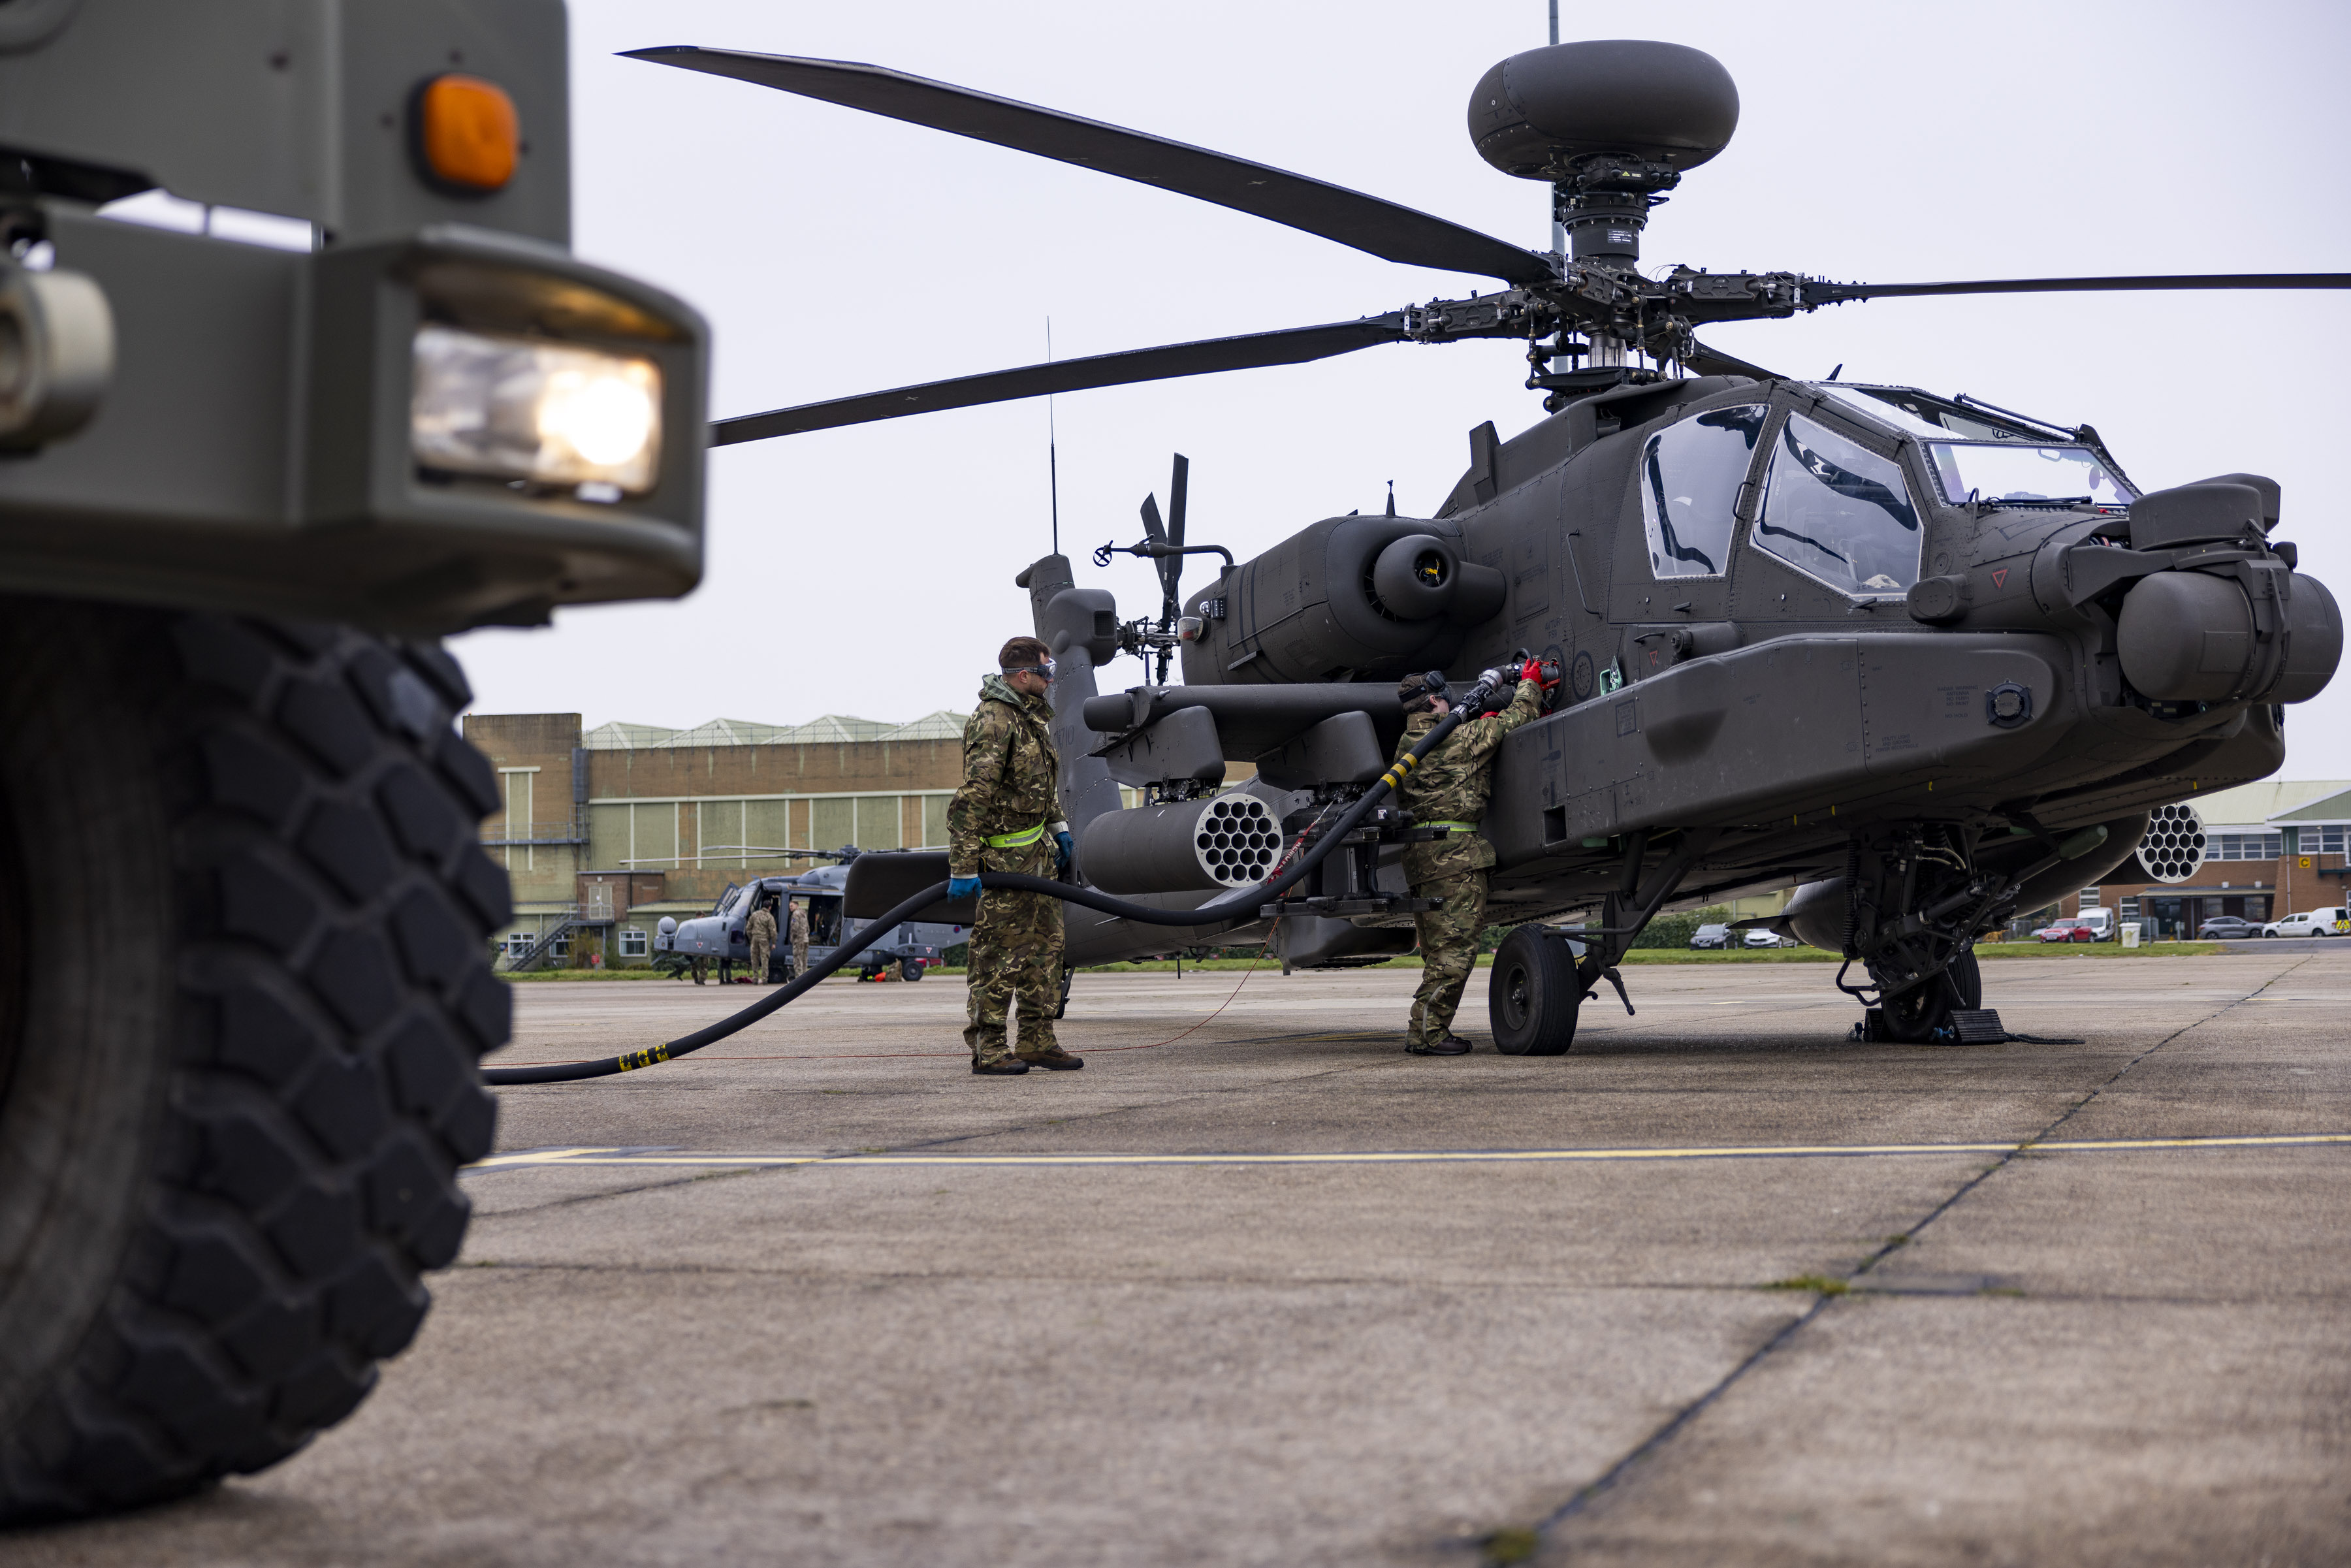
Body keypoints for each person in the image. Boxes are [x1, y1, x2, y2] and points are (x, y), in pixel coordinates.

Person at [1393, 660, 1551, 1055]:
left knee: (1437, 951)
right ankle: (1426, 1034)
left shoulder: (1408, 744)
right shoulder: (1458, 738)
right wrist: (1530, 684)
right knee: (1455, 952)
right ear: (1433, 700)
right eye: (1442, 697)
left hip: (1422, 858)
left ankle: (1427, 1029)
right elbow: (1518, 718)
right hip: (1455, 858)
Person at [946, 635, 1081, 1076]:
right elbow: (974, 797)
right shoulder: (994, 720)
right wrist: (964, 865)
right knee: (999, 956)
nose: (1050, 679)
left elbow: (1039, 787)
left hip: (1038, 857)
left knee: (1045, 951)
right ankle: (988, 1047)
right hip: (1006, 864)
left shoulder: (1029, 720)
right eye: (1046, 671)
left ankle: (1037, 1039)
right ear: (1024, 676)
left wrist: (1058, 826)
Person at [745, 897, 777, 984]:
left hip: (755, 939)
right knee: (764, 959)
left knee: (754, 959)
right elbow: (773, 931)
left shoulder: (755, 914)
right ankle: (764, 979)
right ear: (769, 907)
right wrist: (773, 942)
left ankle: (755, 979)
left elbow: (748, 928)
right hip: (764, 940)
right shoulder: (769, 917)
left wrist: (751, 938)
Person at [788, 897, 810, 978]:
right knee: (804, 959)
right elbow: (808, 927)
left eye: (792, 906)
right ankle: (805, 977)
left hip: (799, 939)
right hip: (805, 939)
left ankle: (799, 978)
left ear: (797, 905)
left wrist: (793, 939)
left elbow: (794, 928)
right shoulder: (803, 913)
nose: (790, 908)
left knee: (797, 959)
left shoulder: (795, 914)